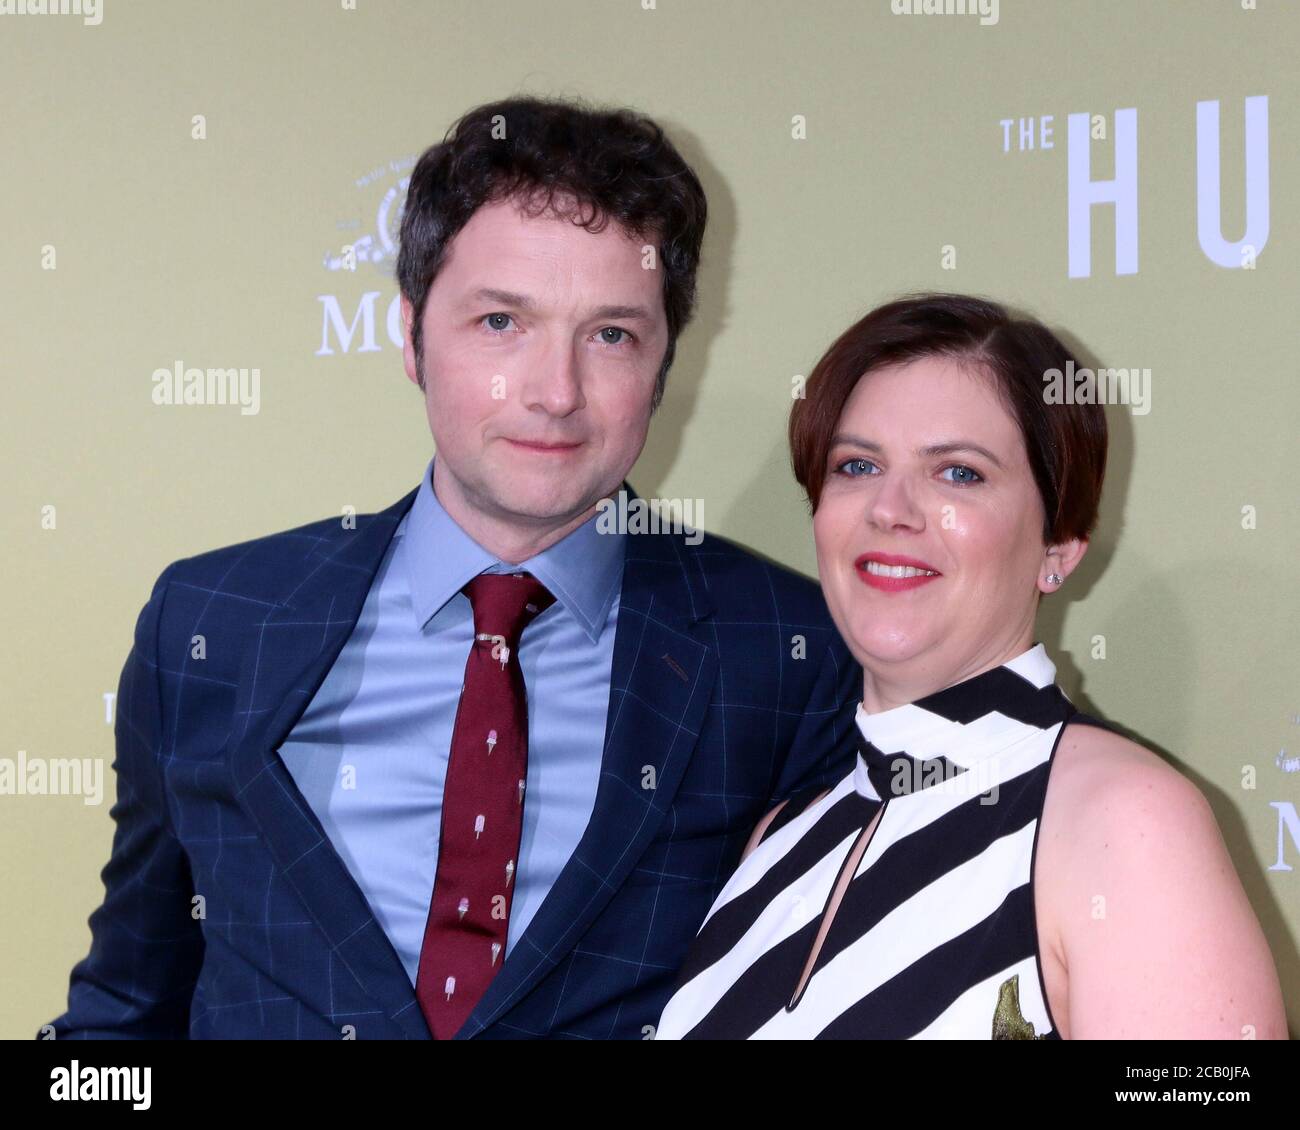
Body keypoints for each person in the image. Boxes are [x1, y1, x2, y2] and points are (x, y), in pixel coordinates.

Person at [41, 96, 861, 1040]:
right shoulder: (214, 623)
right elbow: (122, 1013)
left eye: (611, 335)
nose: (556, 393)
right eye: (502, 322)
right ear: (410, 333)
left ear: (666, 362)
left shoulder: (786, 652)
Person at [655, 293, 1288, 1039]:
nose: (891, 509)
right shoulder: (780, 839)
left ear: (1059, 547)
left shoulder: (1123, 819)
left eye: (958, 474)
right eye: (856, 465)